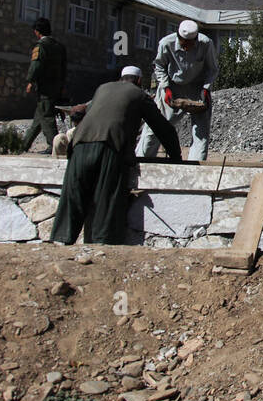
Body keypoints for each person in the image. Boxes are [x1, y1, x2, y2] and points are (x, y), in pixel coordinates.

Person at [52, 66, 182, 245]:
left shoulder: (102, 89)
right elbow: (162, 127)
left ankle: (60, 238)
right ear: (138, 81)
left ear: (121, 78)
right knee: (106, 196)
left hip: (79, 145)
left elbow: (81, 111)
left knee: (73, 194)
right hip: (110, 146)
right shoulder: (139, 95)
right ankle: (101, 242)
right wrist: (176, 157)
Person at [136, 19, 218, 162]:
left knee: (201, 132)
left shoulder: (206, 44)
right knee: (156, 126)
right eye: (184, 44)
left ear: (196, 39)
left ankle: (195, 167)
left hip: (197, 88)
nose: (186, 48)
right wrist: (165, 87)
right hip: (172, 86)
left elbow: (212, 69)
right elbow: (159, 66)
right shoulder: (166, 43)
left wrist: (206, 89)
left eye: (190, 44)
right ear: (179, 38)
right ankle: (141, 160)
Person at [21, 17, 67, 153]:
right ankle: (23, 145)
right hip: (57, 86)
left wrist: (30, 81)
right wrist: (63, 85)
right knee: (39, 117)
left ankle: (54, 146)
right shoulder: (59, 47)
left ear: (37, 32)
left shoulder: (41, 46)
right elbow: (64, 67)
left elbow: (36, 65)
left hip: (45, 87)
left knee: (46, 116)